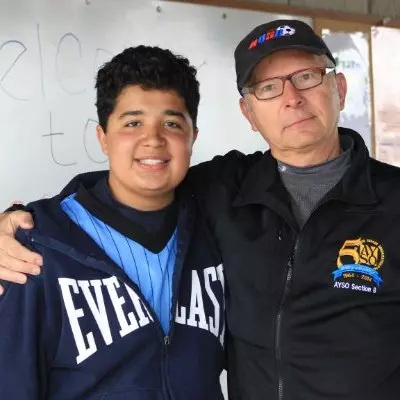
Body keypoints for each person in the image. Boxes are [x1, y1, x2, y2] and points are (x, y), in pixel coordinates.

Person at [2, 18, 400, 400]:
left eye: (308, 77)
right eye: (268, 88)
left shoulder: (393, 200)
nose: (292, 98)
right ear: (248, 113)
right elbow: (134, 179)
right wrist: (15, 224)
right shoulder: (227, 190)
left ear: (340, 89)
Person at [0, 45, 226, 400]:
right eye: (132, 123)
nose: (153, 139)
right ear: (102, 138)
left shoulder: (220, 227)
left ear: (192, 137)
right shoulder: (37, 246)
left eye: (171, 123)